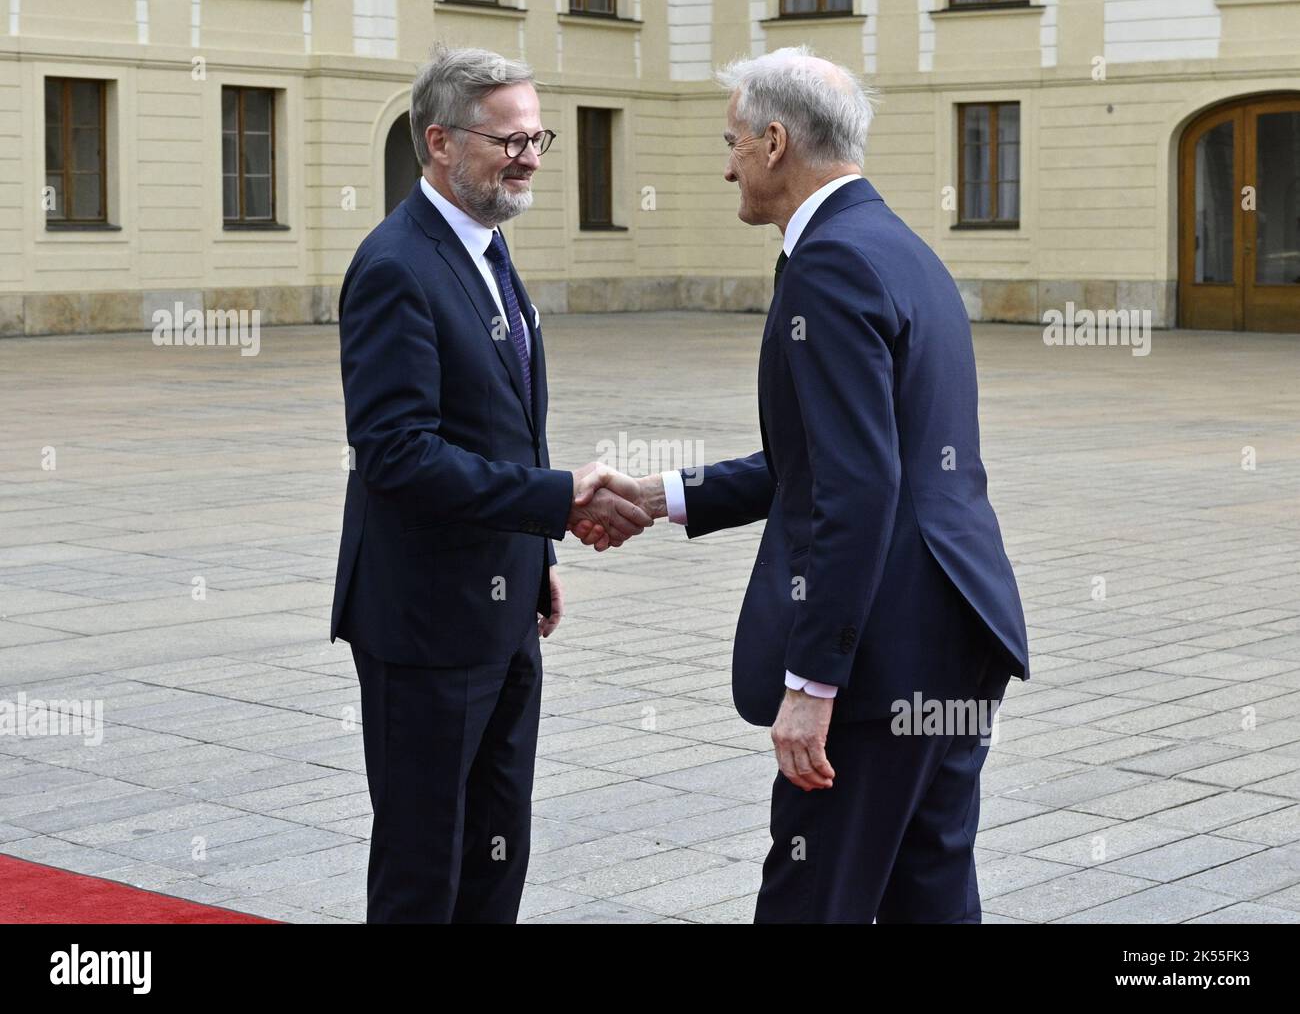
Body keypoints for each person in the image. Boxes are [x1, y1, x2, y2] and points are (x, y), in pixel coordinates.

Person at [577, 46, 1030, 923]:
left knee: (809, 898)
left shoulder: (830, 263)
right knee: (927, 892)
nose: (725, 163)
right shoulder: (899, 247)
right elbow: (831, 463)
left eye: (734, 141)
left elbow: (858, 492)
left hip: (882, 655)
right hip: (957, 629)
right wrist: (661, 495)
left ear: (776, 142)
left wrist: (813, 685)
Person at [330, 45, 648, 923]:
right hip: (424, 623)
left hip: (503, 608)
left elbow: (500, 425)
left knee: (497, 845)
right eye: (508, 140)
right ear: (438, 142)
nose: (531, 155)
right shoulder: (397, 264)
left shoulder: (489, 249)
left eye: (536, 135)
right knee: (424, 863)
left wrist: (535, 549)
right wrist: (556, 498)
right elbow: (395, 452)